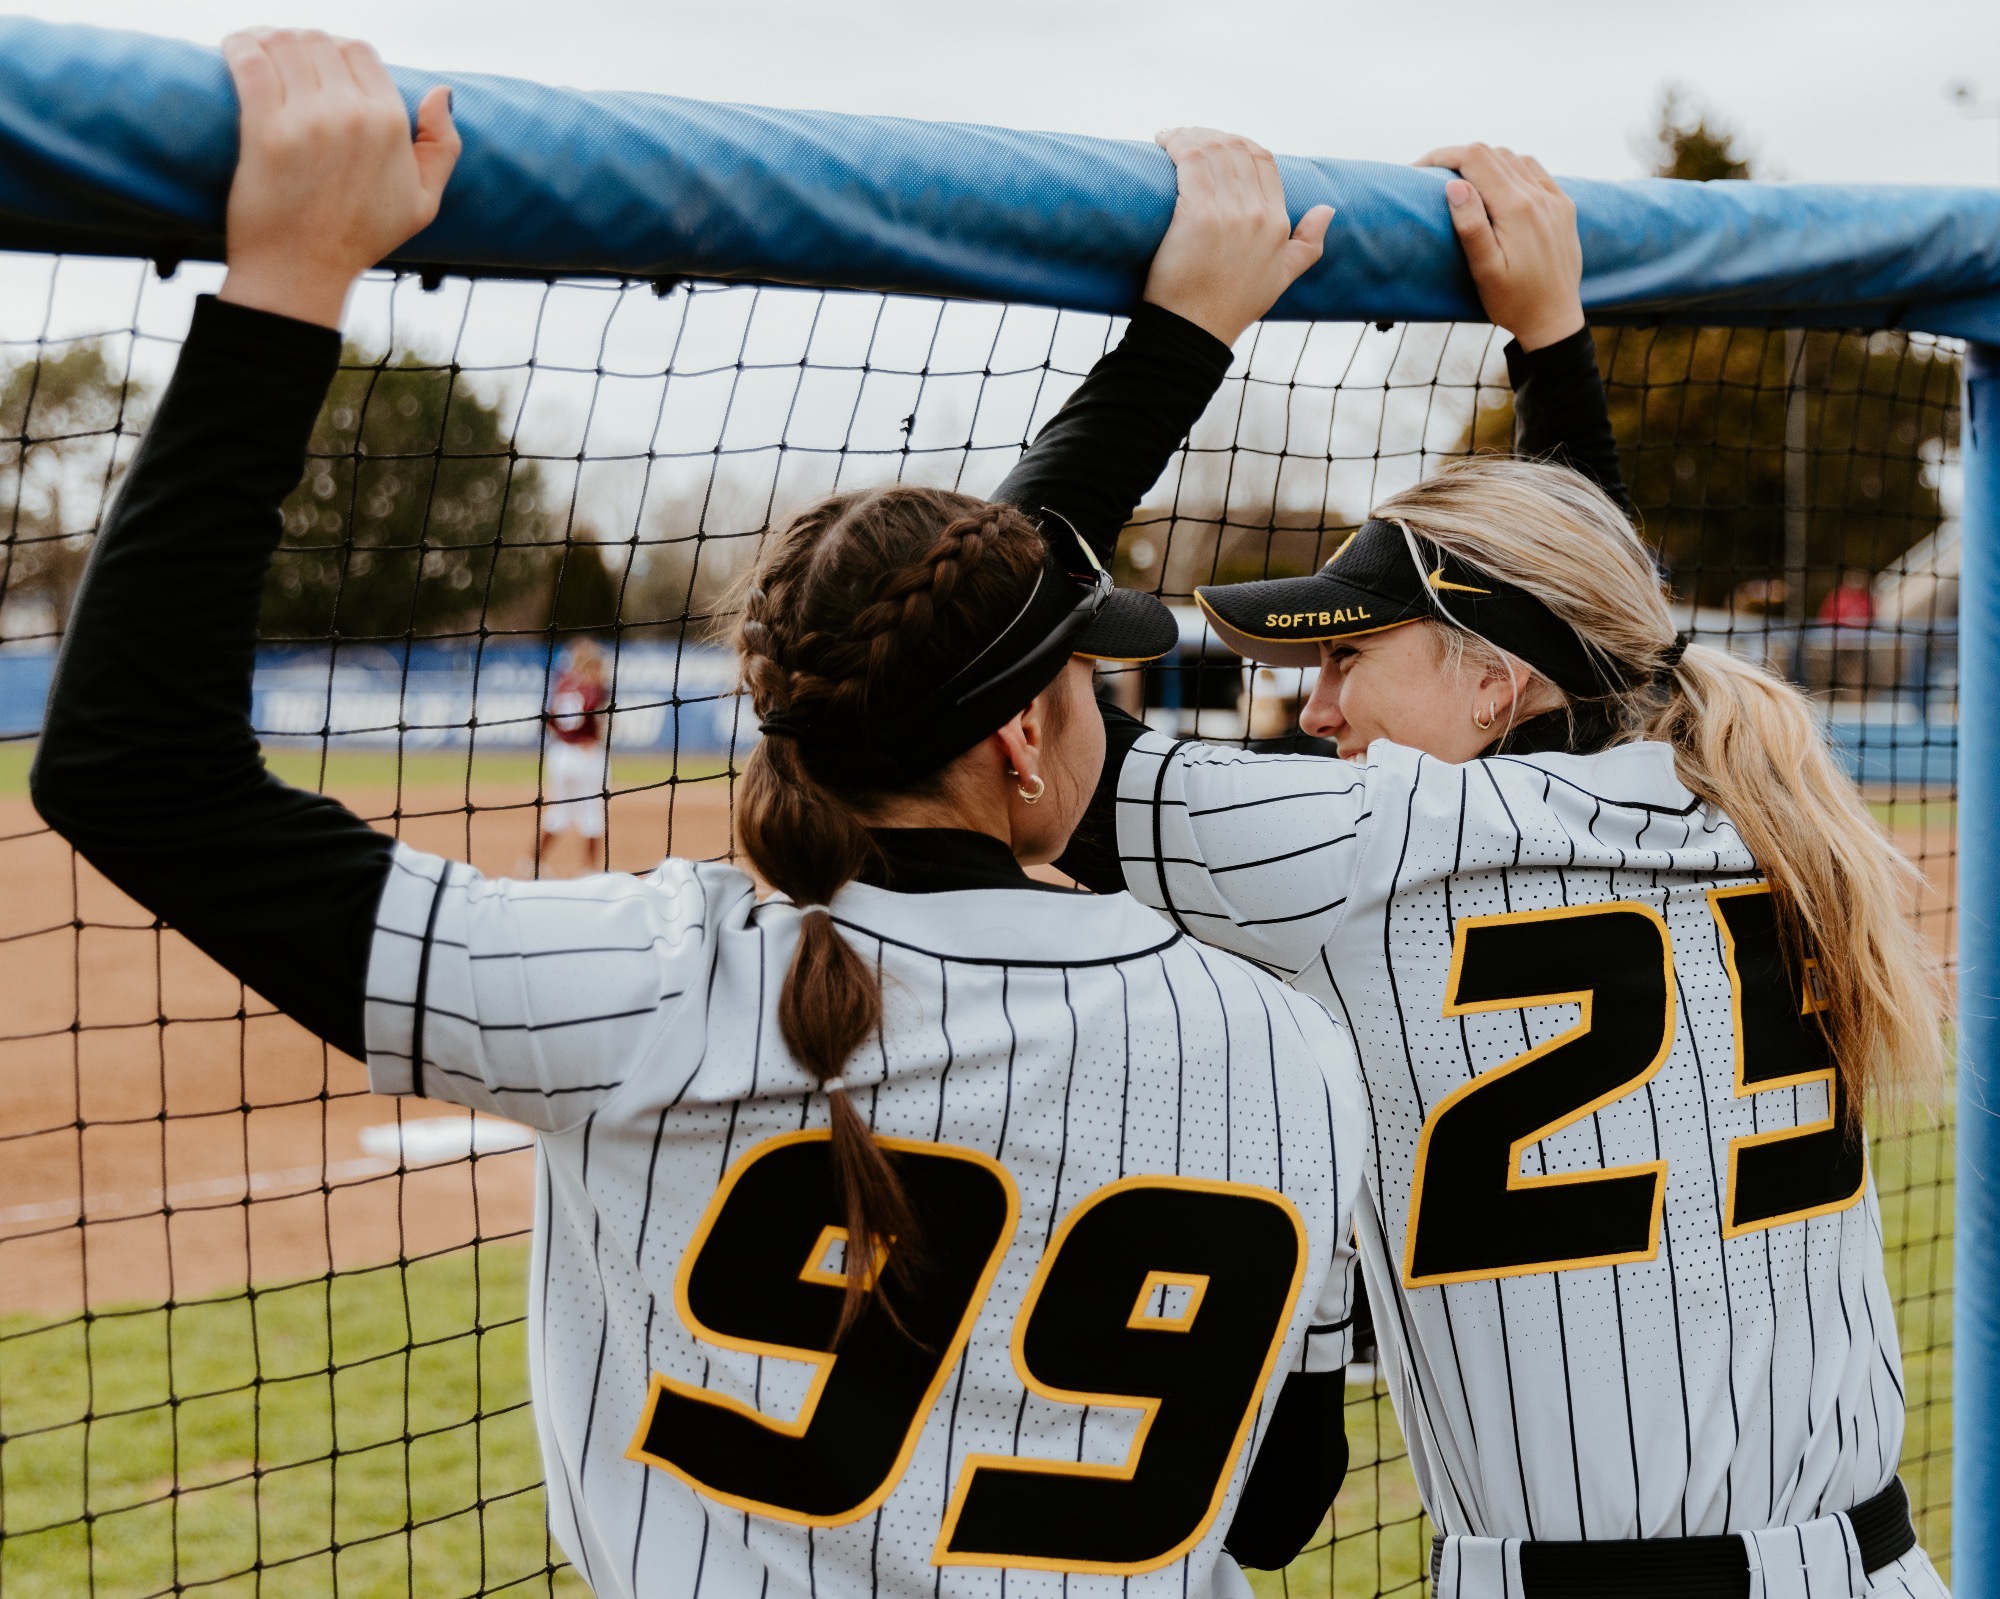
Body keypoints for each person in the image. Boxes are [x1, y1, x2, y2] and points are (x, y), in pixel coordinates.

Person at [31, 30, 1371, 1599]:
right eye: (1089, 675)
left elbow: (132, 768)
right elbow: (1279, 1502)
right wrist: (1187, 336)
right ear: (1020, 734)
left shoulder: (658, 986)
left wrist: (288, 282)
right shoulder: (1286, 1044)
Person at [1015, 144, 1946, 1595]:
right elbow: (1598, 625)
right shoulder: (1746, 806)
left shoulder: (1370, 845)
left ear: (1496, 684)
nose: (1315, 710)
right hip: (1875, 1570)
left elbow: (971, 659)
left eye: (1347, 657)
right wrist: (1551, 337)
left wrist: (1184, 333)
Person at [541, 636, 611, 869]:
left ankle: (533, 862)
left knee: (558, 814)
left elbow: (549, 718)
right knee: (592, 814)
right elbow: (595, 715)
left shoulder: (562, 683)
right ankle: (590, 871)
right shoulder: (595, 686)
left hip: (559, 754)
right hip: (587, 754)